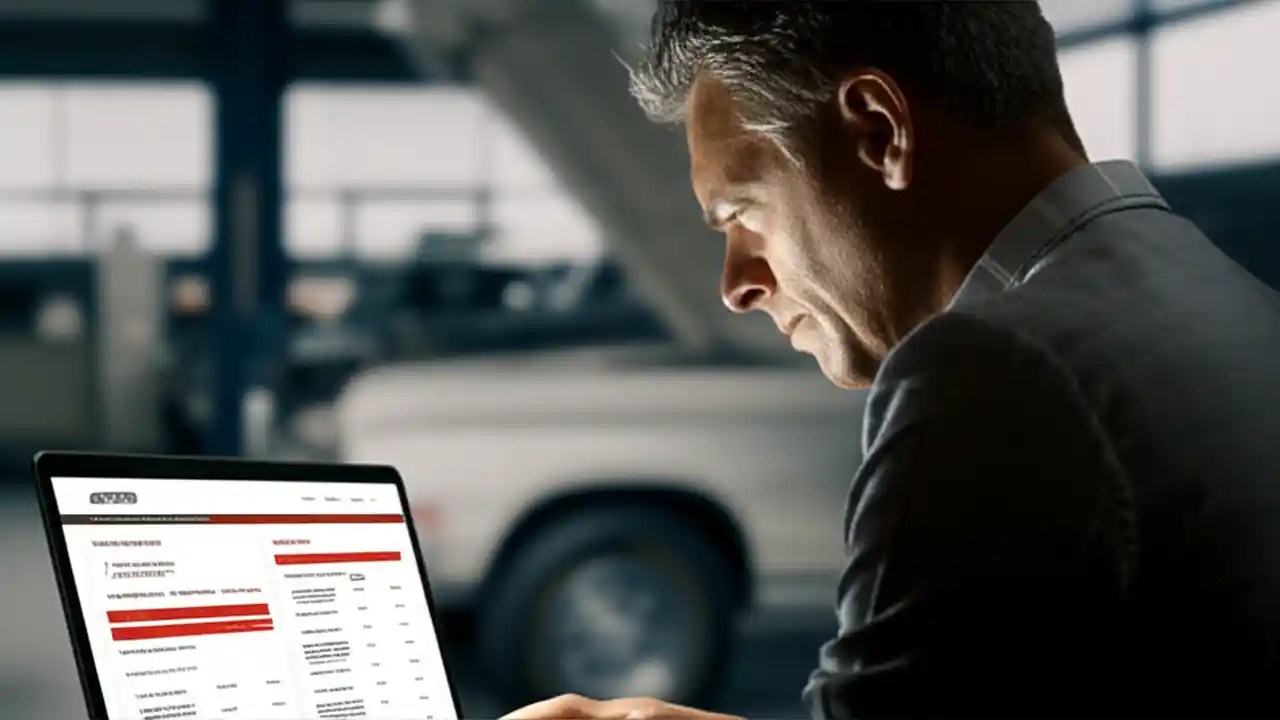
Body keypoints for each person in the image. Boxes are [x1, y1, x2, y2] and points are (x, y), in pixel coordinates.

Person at [507, 2, 1280, 718]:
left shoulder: (993, 370)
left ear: (880, 132)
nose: (738, 285)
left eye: (744, 213)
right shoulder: (1227, 297)